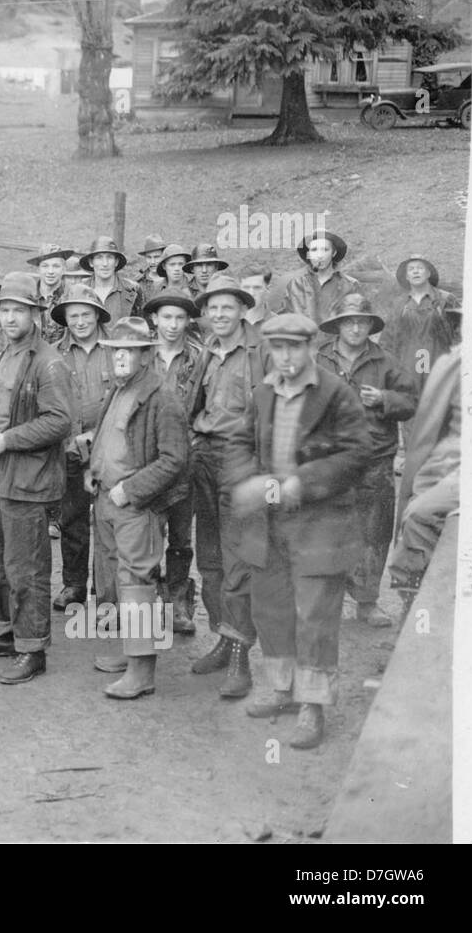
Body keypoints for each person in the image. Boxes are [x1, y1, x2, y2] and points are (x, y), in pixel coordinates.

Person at [230, 314, 370, 750]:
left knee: (314, 614)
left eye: (294, 347)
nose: (285, 357)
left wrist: (302, 482)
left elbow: (356, 453)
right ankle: (283, 689)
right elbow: (238, 443)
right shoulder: (262, 392)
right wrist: (245, 481)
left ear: (311, 347)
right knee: (272, 608)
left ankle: (313, 704)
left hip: (320, 522)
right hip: (268, 523)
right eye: (277, 348)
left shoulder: (335, 393)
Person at [0, 273, 73, 684]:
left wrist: (7, 440)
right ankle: (6, 633)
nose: (9, 318)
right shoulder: (5, 352)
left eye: (18, 311)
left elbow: (59, 421)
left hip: (26, 477)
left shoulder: (48, 362)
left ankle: (33, 649)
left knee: (26, 566)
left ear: (35, 314)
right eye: (5, 310)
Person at [87, 316, 189, 699]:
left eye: (129, 351)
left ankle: (142, 670)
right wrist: (93, 472)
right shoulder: (119, 390)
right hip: (107, 498)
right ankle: (130, 653)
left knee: (137, 584)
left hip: (135, 506)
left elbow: (174, 459)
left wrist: (130, 489)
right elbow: (107, 440)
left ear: (147, 355)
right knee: (116, 578)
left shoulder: (162, 399)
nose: (121, 358)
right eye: (115, 352)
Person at [188, 274, 270, 699]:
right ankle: (223, 638)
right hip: (205, 458)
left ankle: (241, 656)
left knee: (240, 561)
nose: (219, 315)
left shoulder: (263, 351)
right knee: (212, 559)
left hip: (243, 462)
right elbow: (194, 408)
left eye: (227, 307)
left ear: (242, 310)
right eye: (212, 309)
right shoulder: (206, 351)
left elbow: (277, 411)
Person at [316, 295, 417, 627]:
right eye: (349, 321)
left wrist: (385, 399)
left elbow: (412, 401)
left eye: (362, 321)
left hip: (375, 457)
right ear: (338, 325)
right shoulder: (319, 359)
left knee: (374, 531)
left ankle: (366, 601)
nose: (356, 327)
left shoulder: (386, 361)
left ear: (371, 326)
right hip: (331, 458)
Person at [143, 289, 205, 635]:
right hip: (148, 460)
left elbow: (207, 404)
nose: (173, 324)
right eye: (166, 317)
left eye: (180, 318)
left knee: (181, 537)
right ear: (154, 319)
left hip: (185, 460)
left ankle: (178, 599)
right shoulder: (143, 356)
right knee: (148, 533)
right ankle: (146, 599)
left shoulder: (199, 358)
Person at [50, 285, 113, 611]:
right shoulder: (55, 354)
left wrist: (100, 435)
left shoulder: (115, 349)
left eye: (86, 314)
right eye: (73, 316)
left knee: (111, 520)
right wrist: (70, 440)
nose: (79, 321)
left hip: (112, 450)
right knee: (72, 519)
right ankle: (73, 585)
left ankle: (108, 589)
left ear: (98, 316)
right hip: (72, 451)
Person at [386, 336, 460, 612]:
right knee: (418, 512)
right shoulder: (454, 364)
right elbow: (432, 425)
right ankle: (414, 599)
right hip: (454, 465)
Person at [382, 255, 459, 390]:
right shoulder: (400, 304)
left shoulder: (445, 299)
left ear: (428, 273)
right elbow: (388, 340)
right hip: (408, 370)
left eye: (420, 268)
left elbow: (461, 334)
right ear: (406, 276)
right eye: (411, 269)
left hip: (441, 367)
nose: (415, 271)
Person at [276, 232, 361, 334]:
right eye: (314, 250)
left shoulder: (350, 285)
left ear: (333, 253)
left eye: (325, 250)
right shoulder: (295, 285)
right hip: (303, 345)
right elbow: (284, 320)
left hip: (334, 346)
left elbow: (357, 322)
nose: (319, 255)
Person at [80, 236, 143, 325]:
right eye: (99, 257)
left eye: (109, 257)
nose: (105, 263)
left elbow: (141, 328)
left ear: (116, 262)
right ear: (91, 262)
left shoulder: (132, 290)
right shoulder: (80, 290)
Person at [27, 244, 71, 344]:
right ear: (38, 269)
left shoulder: (71, 297)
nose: (50, 271)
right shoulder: (29, 297)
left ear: (64, 269)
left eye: (56, 266)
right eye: (45, 266)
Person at [132, 235, 167, 303]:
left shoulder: (171, 279)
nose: (152, 262)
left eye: (156, 257)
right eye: (149, 257)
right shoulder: (138, 282)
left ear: (164, 257)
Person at [239, 262, 273, 329]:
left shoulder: (279, 325)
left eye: (257, 288)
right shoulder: (228, 322)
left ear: (268, 289)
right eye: (246, 287)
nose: (251, 293)